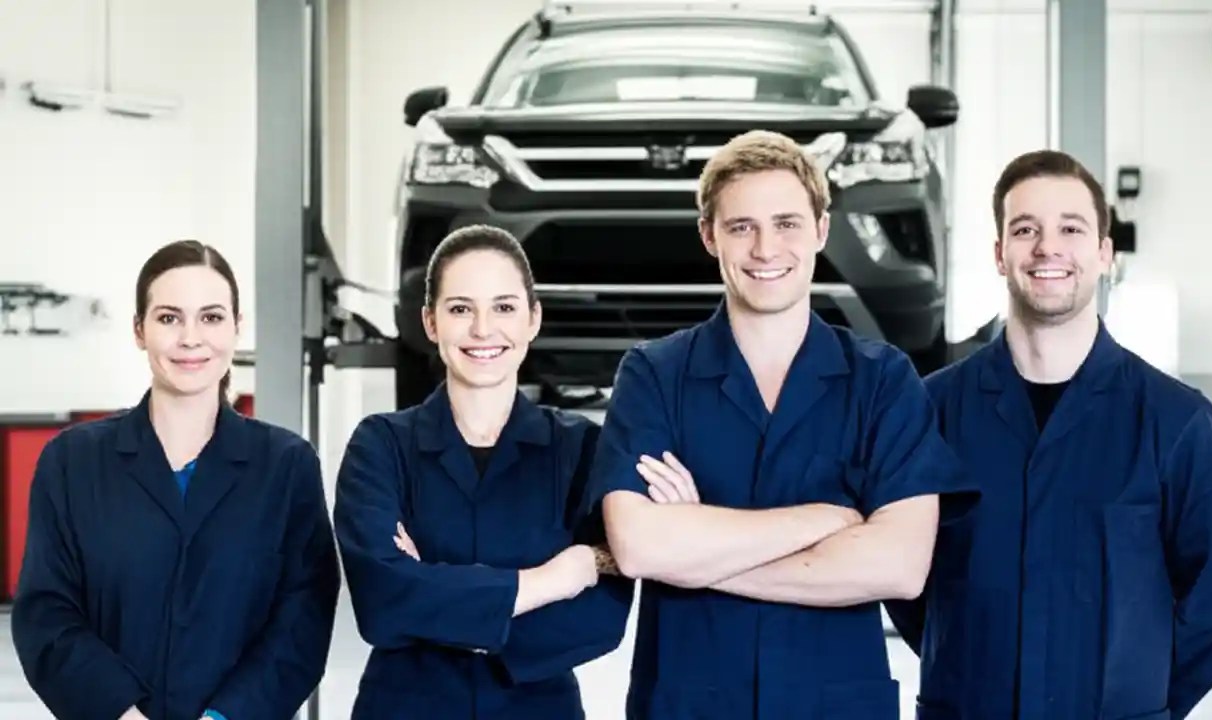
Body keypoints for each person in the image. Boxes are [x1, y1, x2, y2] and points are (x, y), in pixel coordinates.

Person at [586, 129, 975, 720]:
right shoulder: (654, 375)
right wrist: (826, 520)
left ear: (821, 229)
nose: (766, 248)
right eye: (742, 226)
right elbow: (641, 548)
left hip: (834, 706)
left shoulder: (882, 380)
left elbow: (899, 566)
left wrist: (697, 553)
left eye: (787, 223)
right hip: (690, 704)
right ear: (709, 236)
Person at [885, 149, 1212, 719]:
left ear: (1104, 253)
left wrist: (1142, 697)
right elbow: (907, 582)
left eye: (1071, 228)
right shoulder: (930, 411)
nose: (1048, 247)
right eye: (1025, 229)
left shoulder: (1175, 420)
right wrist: (969, 666)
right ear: (999, 253)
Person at [11, 240, 341, 720]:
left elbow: (302, 620)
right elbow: (46, 613)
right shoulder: (72, 462)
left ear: (236, 327)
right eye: (169, 318)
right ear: (139, 330)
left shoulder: (287, 466)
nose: (191, 338)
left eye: (211, 317)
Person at [333, 225, 635, 719]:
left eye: (504, 307)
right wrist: (553, 579)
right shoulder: (381, 445)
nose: (482, 329)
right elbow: (383, 603)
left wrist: (435, 601)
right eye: (460, 309)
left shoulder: (580, 448)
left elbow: (599, 618)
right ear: (430, 322)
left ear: (533, 319)